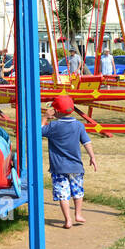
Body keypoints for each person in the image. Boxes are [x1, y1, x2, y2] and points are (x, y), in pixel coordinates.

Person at [41, 93, 96, 229]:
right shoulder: (78, 125)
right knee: (78, 191)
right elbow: (86, 142)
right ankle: (78, 214)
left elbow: (38, 131)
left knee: (62, 194)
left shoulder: (53, 126)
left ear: (56, 111)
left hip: (58, 168)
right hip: (76, 167)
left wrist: (45, 117)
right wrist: (92, 156)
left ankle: (68, 220)